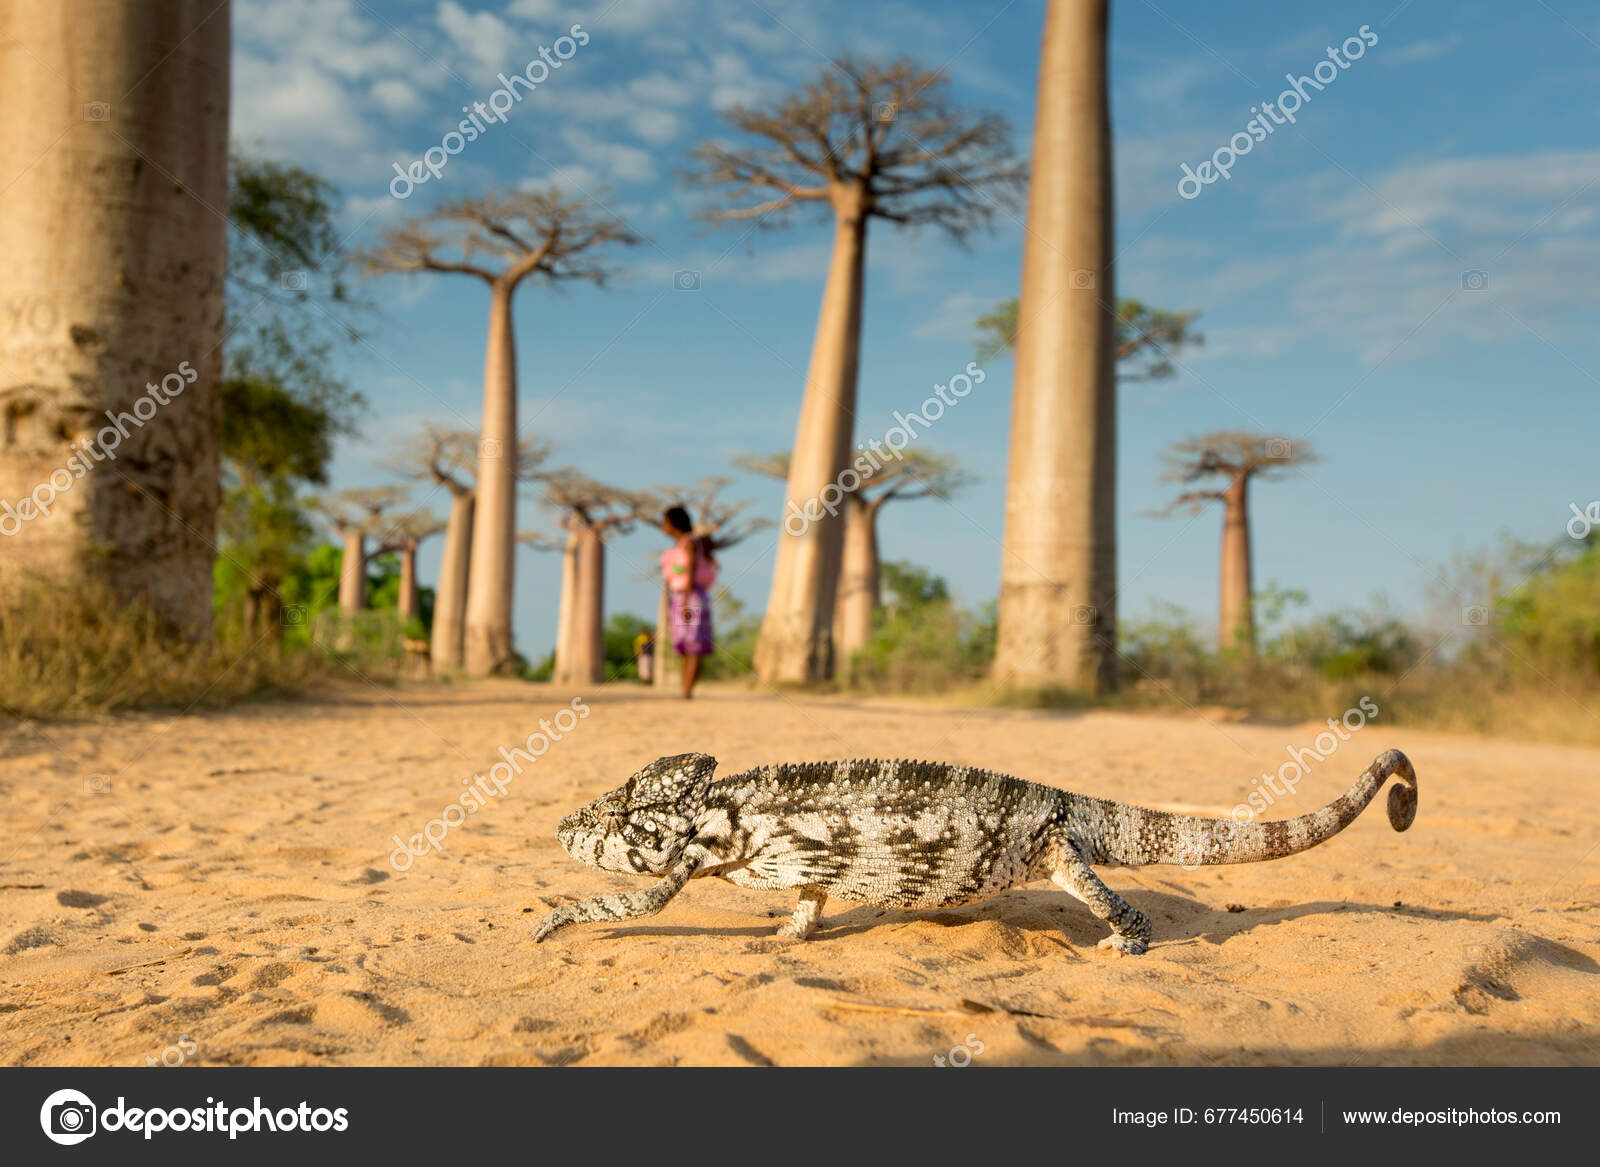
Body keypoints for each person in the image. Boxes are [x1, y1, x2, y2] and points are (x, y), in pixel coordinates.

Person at [659, 505, 716, 699]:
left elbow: (691, 570)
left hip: (690, 596)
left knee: (694, 643)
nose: (663, 526)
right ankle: (686, 688)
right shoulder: (681, 544)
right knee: (685, 643)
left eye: (665, 522)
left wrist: (685, 602)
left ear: (673, 523)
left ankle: (687, 690)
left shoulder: (690, 543)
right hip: (681, 595)